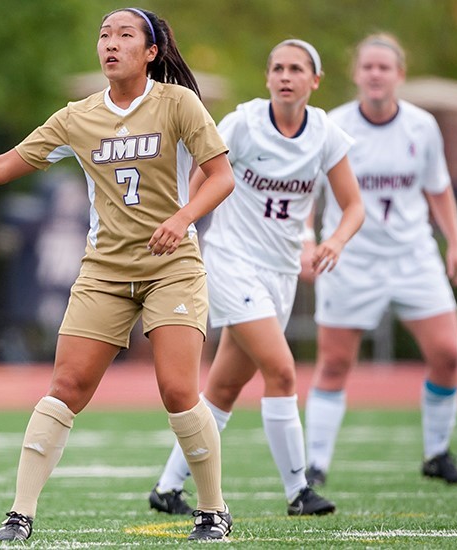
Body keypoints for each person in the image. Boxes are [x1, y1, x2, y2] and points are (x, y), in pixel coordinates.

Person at [0, 7, 236, 542]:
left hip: (172, 268)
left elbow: (221, 177)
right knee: (65, 387)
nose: (111, 44)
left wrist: (181, 220)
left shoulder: (178, 103)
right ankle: (20, 514)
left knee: (178, 389)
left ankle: (212, 510)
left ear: (151, 51)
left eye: (125, 35)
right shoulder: (77, 116)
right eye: (104, 35)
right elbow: (5, 163)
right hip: (105, 272)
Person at [146, 39, 365, 517]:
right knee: (282, 371)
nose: (286, 76)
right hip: (232, 262)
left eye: (296, 69)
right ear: (267, 78)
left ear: (315, 81)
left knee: (223, 389)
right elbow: (203, 179)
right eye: (278, 68)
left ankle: (167, 488)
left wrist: (334, 241)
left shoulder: (325, 132)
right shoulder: (244, 123)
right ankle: (299, 491)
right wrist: (182, 222)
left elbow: (354, 206)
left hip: (280, 273)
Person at [304, 33, 457, 487]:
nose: (375, 74)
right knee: (334, 363)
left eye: (384, 67)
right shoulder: (332, 125)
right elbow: (307, 190)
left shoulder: (422, 126)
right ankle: (315, 465)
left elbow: (438, 188)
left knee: (448, 354)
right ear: (356, 74)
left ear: (400, 74)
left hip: (413, 256)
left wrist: (456, 244)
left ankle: (437, 453)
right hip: (349, 259)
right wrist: (306, 242)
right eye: (368, 66)